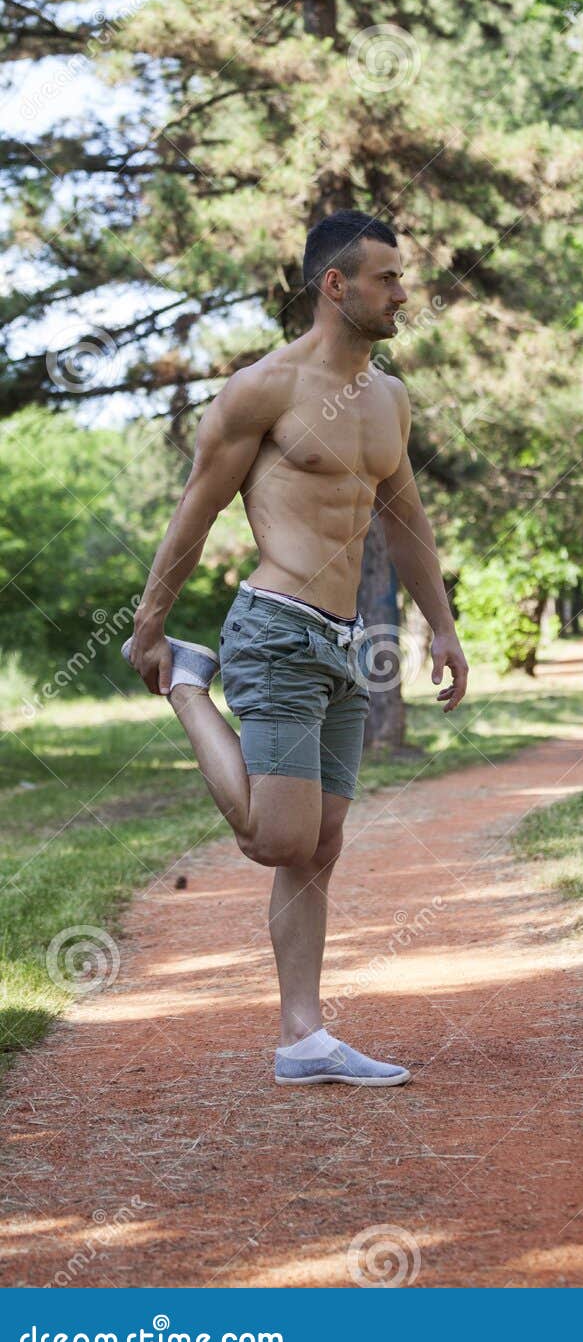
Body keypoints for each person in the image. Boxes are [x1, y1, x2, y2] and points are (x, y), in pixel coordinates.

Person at [122, 208, 469, 1088]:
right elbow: (194, 513)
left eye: (402, 276)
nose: (402, 292)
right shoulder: (262, 390)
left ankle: (303, 1037)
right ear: (335, 285)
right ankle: (191, 690)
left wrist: (444, 623)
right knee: (279, 839)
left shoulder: (389, 397)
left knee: (322, 845)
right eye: (388, 277)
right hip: (275, 629)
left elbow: (407, 523)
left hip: (348, 644)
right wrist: (150, 628)